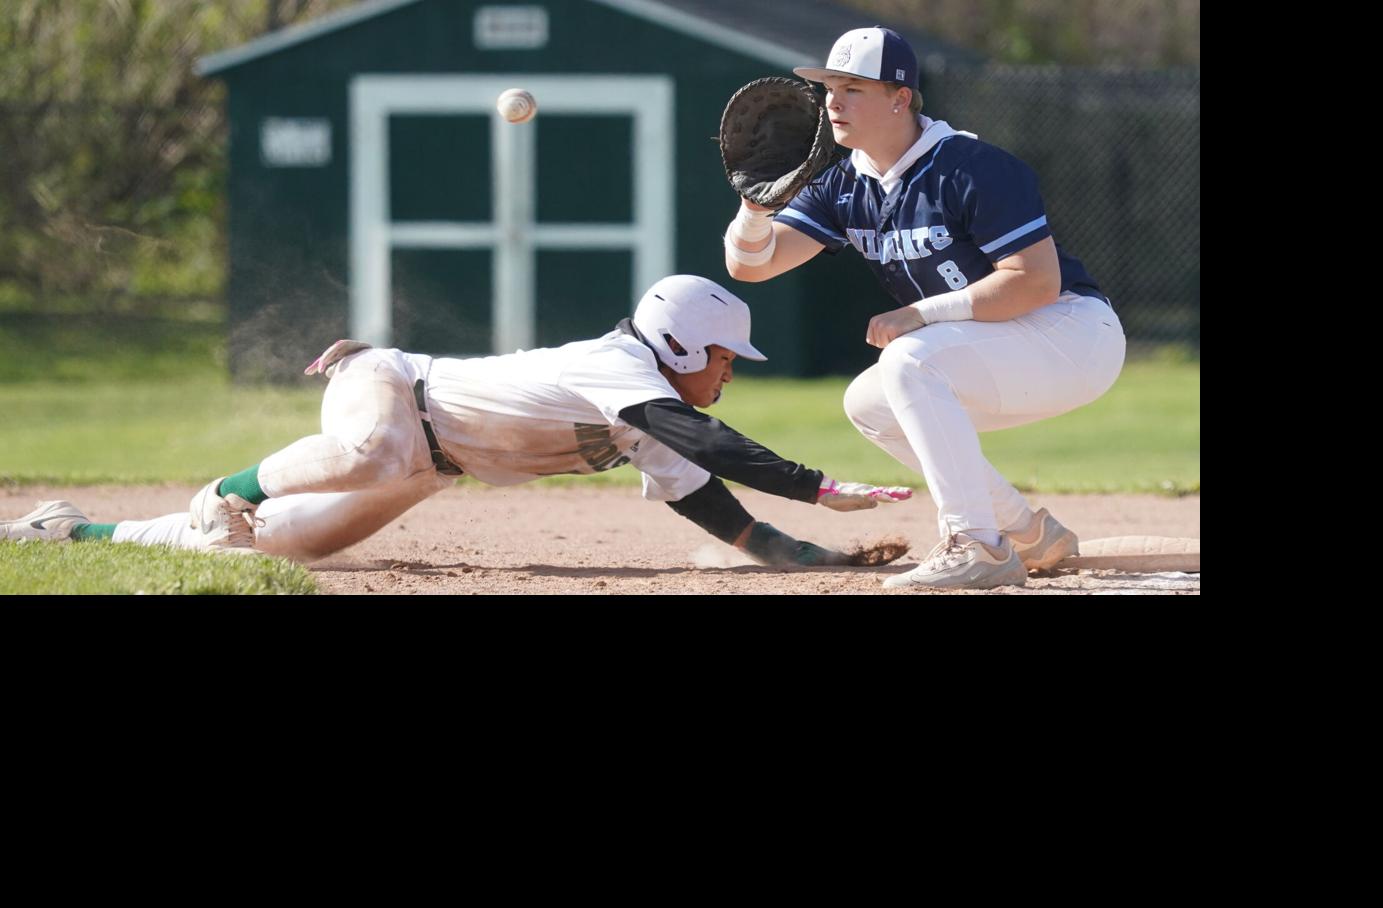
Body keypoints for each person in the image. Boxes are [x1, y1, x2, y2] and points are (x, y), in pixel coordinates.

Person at [3, 275, 911, 566]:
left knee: (283, 549)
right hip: (392, 387)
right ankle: (223, 490)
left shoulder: (647, 412)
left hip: (428, 460)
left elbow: (714, 503)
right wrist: (820, 487)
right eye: (722, 356)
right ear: (677, 343)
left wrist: (820, 558)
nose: (728, 374)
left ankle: (75, 531)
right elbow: (711, 443)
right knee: (371, 450)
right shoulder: (621, 370)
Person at [723, 26, 1127, 590]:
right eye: (829, 88)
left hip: (1072, 335)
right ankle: (1026, 531)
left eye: (853, 88)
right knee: (871, 403)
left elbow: (1035, 283)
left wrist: (920, 314)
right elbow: (753, 266)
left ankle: (977, 544)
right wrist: (753, 208)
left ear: (901, 97)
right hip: (993, 347)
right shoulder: (846, 183)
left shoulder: (968, 165)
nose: (832, 101)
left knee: (910, 360)